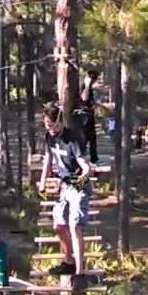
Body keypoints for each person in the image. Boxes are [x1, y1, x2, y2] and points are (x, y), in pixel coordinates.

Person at [38, 103, 93, 281]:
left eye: (54, 125)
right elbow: (48, 159)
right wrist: (43, 181)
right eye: (48, 126)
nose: (51, 129)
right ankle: (68, 262)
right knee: (59, 225)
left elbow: (86, 167)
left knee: (74, 226)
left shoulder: (73, 139)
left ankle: (80, 272)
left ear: (60, 121)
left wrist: (81, 181)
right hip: (64, 186)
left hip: (78, 187)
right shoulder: (49, 137)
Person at [78, 69, 101, 163]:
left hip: (89, 115)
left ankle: (94, 158)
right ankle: (81, 158)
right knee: (85, 138)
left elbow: (89, 101)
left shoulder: (90, 87)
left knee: (92, 139)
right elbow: (84, 98)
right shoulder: (85, 86)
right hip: (84, 118)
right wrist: (87, 85)